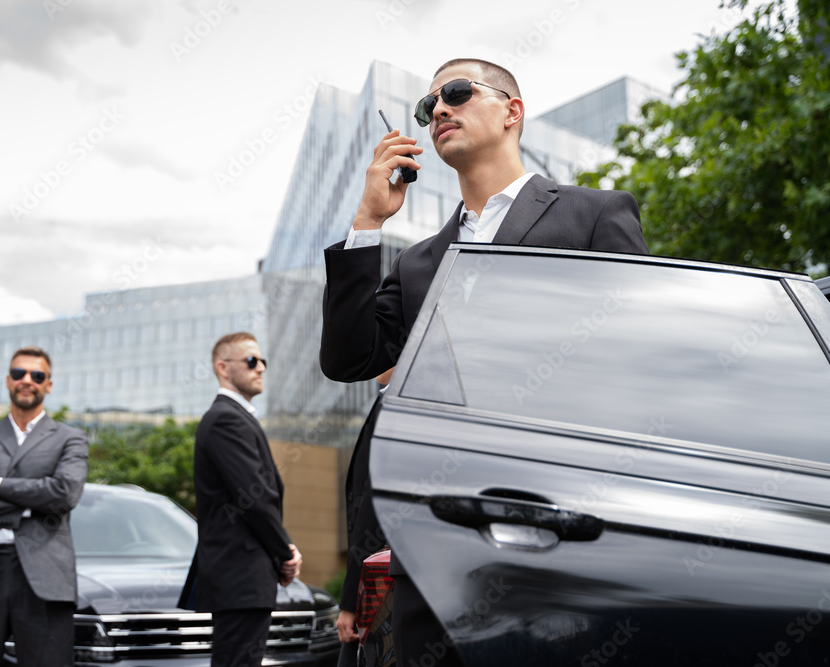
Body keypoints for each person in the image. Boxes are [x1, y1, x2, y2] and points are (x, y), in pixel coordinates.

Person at [319, 58, 651, 666]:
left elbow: (633, 368)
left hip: (562, 537)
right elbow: (347, 358)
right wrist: (368, 222)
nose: (438, 110)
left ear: (511, 111)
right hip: (436, 550)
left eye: (455, 93)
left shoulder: (594, 215)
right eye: (428, 107)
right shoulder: (416, 263)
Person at [0, 346, 89, 667]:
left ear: (48, 385)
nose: (27, 380)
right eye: (18, 373)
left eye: (37, 375)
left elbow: (64, 494)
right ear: (7, 381)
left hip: (45, 577)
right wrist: (30, 506)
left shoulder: (70, 439)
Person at [193, 332, 303, 667]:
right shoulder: (227, 419)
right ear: (223, 368)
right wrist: (285, 552)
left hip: (242, 575)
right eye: (252, 361)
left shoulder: (236, 418)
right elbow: (254, 497)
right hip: (240, 574)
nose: (261, 368)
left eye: (263, 361)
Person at [336, 369, 392, 667]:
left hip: (378, 581)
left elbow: (371, 510)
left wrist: (350, 603)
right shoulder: (388, 402)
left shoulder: (395, 405)